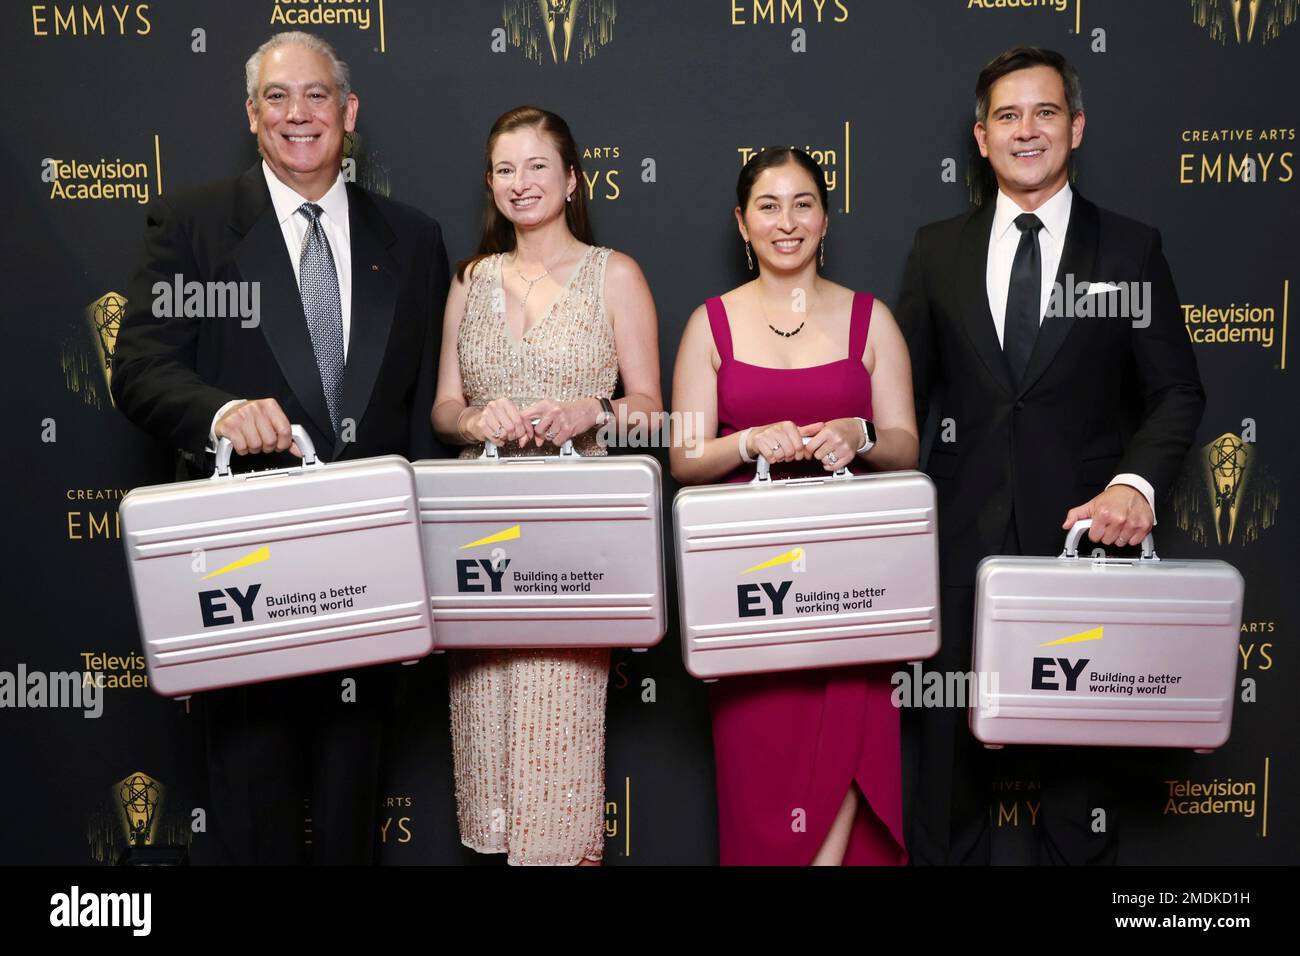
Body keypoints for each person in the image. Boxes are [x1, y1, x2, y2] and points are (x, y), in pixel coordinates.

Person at [110, 31, 450, 864]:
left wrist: (429, 590)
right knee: (251, 830)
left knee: (351, 833)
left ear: (349, 111)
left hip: (370, 596)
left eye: (317, 96)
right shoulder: (191, 225)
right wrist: (221, 413)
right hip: (245, 591)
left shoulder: (413, 239)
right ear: (252, 114)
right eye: (277, 97)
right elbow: (141, 371)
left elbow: (419, 426)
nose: (298, 115)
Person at [896, 46, 1205, 865]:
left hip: (1083, 550)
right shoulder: (937, 252)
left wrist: (1133, 485)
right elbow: (901, 403)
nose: (1024, 131)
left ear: (1075, 126)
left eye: (1042, 113)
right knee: (944, 787)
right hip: (960, 549)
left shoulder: (1130, 250)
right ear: (980, 135)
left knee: (1078, 798)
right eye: (1006, 116)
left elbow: (1176, 391)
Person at [670, 147, 918, 865]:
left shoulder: (871, 321)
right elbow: (685, 460)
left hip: (854, 600)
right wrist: (748, 442)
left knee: (848, 779)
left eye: (803, 203)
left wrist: (859, 432)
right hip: (753, 603)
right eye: (769, 207)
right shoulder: (708, 325)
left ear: (826, 218)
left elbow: (904, 446)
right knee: (761, 802)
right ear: (741, 223)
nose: (787, 222)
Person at [431, 106, 662, 866]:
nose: (520, 183)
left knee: (557, 753)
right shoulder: (470, 280)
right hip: (479, 546)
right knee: (490, 763)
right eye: (504, 168)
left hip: (571, 544)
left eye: (537, 166)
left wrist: (587, 409)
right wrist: (476, 422)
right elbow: (442, 409)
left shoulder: (614, 273)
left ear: (572, 179)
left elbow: (654, 414)